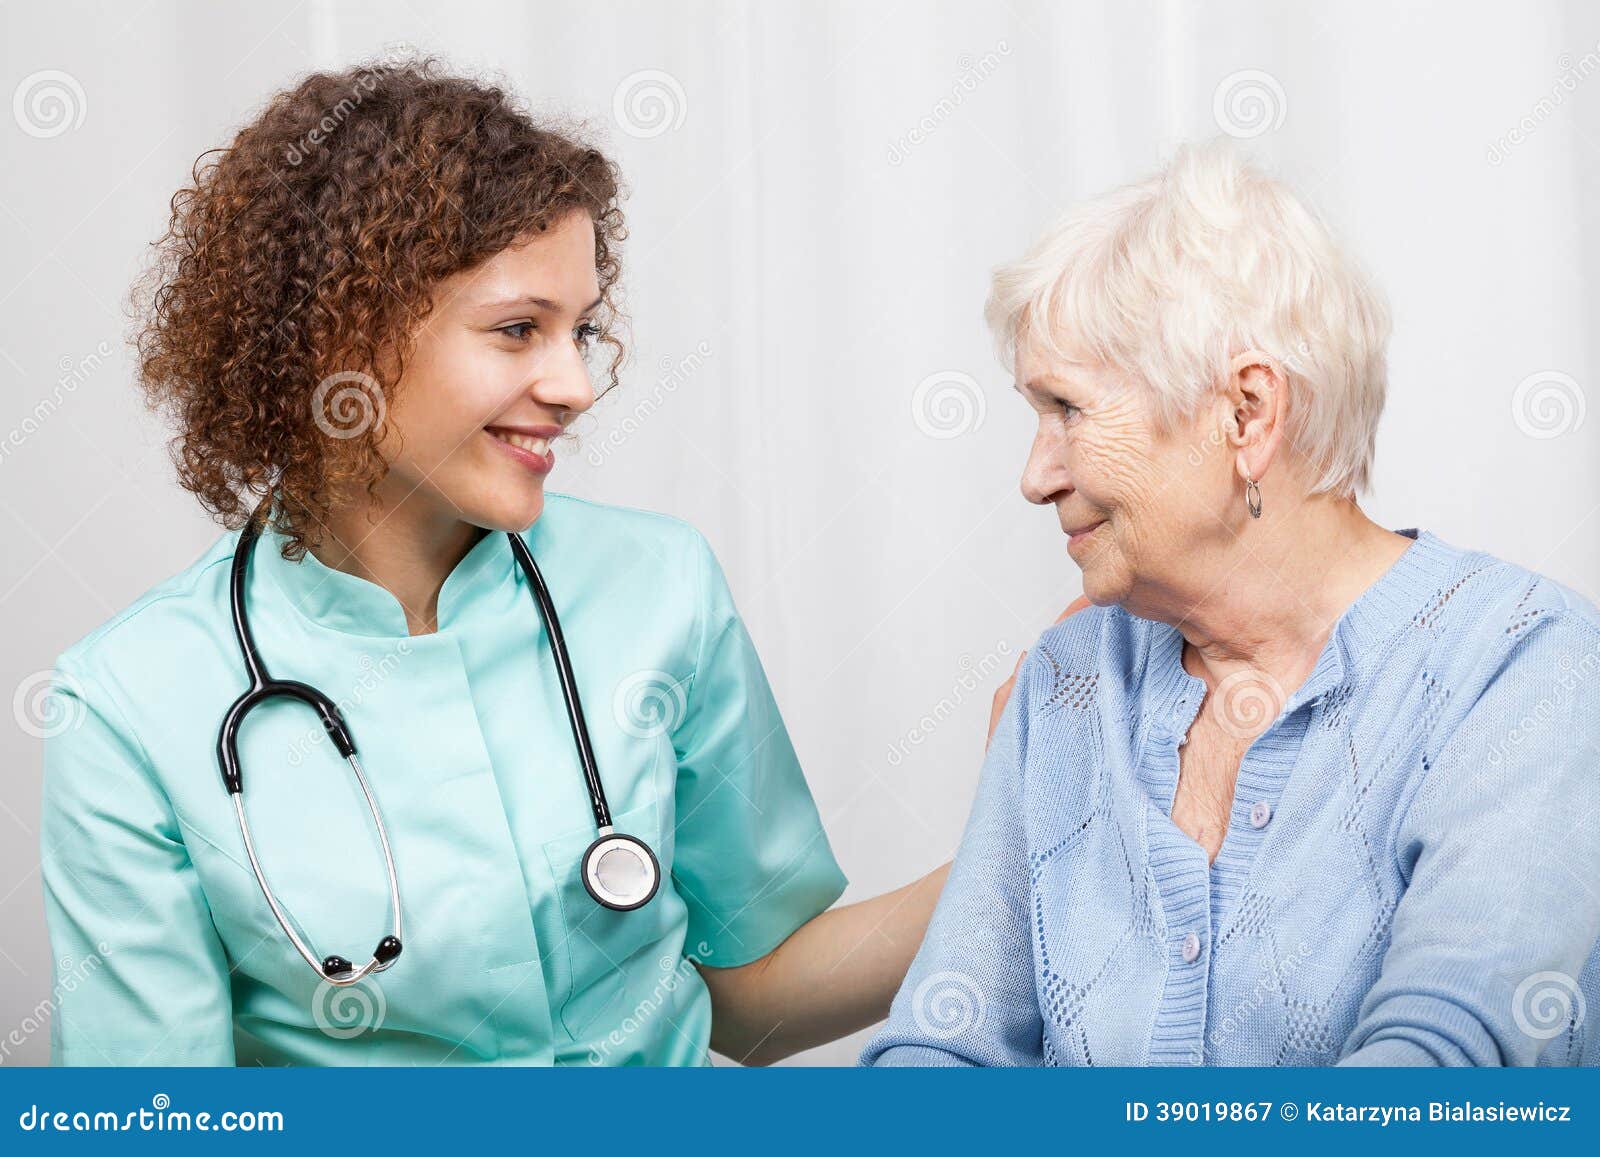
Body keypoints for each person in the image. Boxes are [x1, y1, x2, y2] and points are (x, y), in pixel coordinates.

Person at [40, 58, 947, 1066]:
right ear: (344, 332)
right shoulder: (126, 701)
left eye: (582, 330)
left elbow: (754, 999)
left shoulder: (659, 586)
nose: (574, 385)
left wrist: (1028, 833)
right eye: (518, 329)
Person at [862, 140, 1600, 1067]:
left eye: (1069, 410)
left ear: (1247, 412)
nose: (1034, 475)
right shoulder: (1069, 677)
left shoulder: (1525, 667)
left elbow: (1437, 1081)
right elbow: (939, 1049)